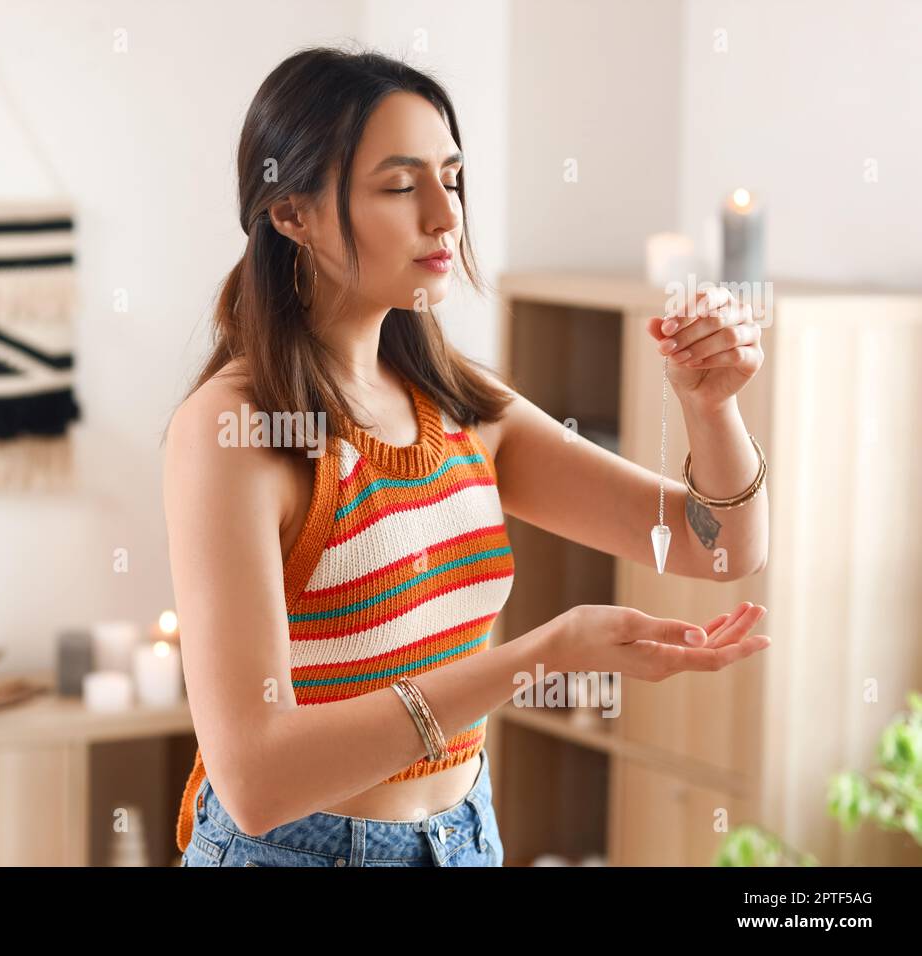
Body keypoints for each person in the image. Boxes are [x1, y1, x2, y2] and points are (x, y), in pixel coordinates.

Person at [161, 46, 770, 868]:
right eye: (400, 185)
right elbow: (256, 781)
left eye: (451, 179)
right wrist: (538, 657)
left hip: (464, 836)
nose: (445, 217)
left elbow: (717, 546)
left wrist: (711, 408)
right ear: (290, 213)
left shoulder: (457, 404)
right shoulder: (235, 430)